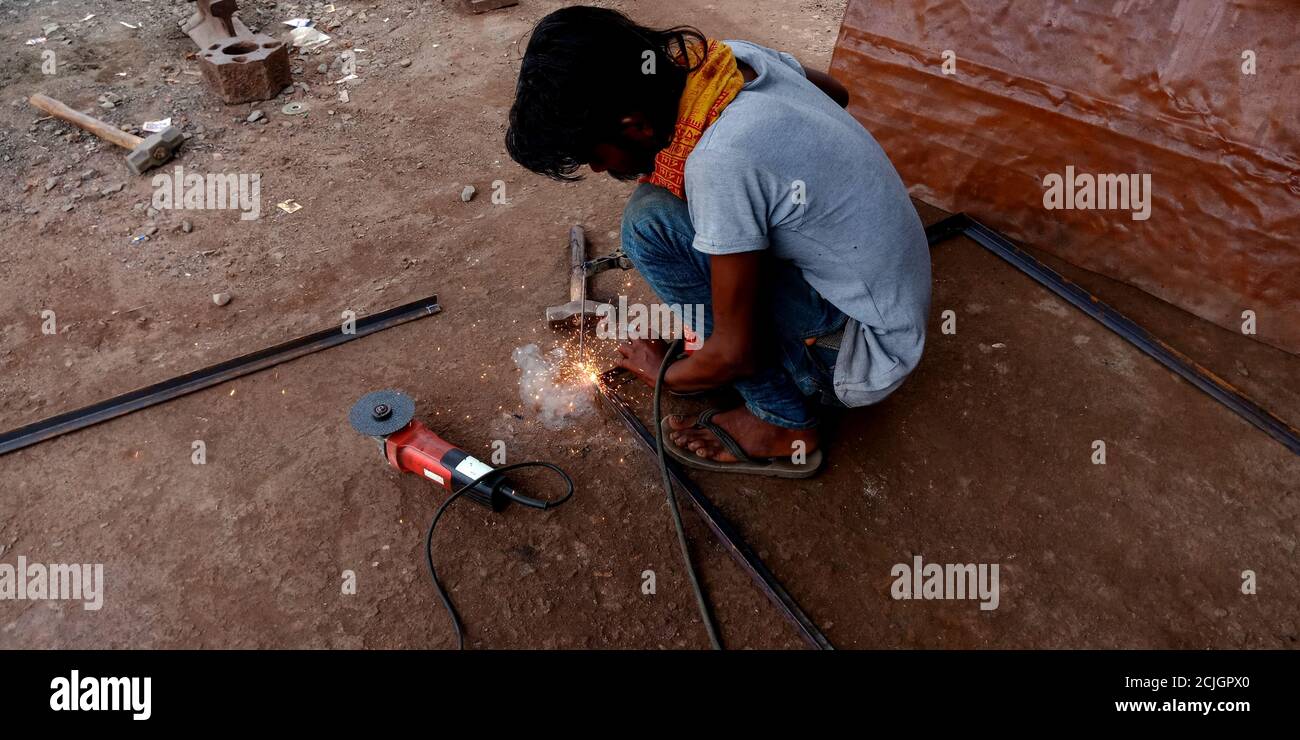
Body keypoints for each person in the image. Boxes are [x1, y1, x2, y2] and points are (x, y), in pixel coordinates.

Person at [506, 6, 930, 477]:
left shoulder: (721, 162)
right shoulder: (725, 63)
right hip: (892, 300)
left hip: (859, 353)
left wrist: (661, 373)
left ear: (635, 126)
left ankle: (782, 422)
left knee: (649, 224)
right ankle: (741, 355)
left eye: (593, 155)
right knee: (674, 210)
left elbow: (736, 354)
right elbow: (838, 93)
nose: (601, 169)